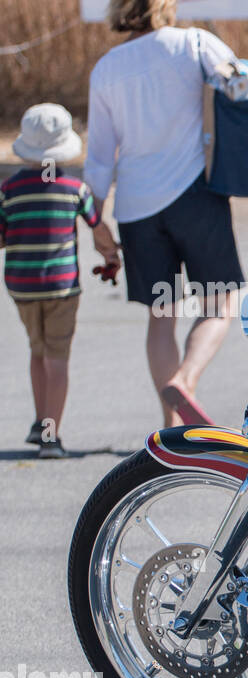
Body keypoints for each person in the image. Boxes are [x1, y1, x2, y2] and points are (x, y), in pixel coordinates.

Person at [84, 0, 248, 426]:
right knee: (220, 303)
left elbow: (100, 157)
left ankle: (170, 424)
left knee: (161, 315)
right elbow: (246, 85)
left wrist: (95, 219)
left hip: (137, 207)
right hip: (196, 197)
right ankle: (187, 379)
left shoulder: (106, 69)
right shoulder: (195, 44)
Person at [0, 104, 121, 459]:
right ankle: (51, 435)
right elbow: (98, 230)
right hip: (61, 287)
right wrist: (111, 257)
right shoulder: (74, 188)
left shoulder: (9, 190)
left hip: (21, 287)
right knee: (58, 356)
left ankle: (42, 420)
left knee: (37, 351)